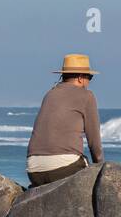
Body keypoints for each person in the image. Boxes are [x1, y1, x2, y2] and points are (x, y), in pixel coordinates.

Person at [25, 53, 104, 186]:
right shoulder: (87, 96)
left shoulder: (50, 94)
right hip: (64, 169)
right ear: (80, 78)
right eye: (89, 77)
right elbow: (94, 140)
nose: (89, 81)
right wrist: (101, 168)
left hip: (34, 170)